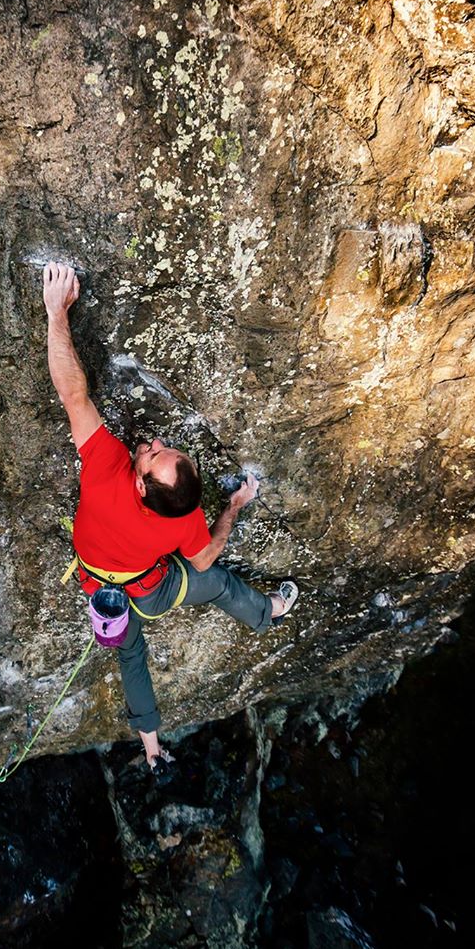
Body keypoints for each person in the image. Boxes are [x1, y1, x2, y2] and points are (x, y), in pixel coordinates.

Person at [43, 260, 299, 775]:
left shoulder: (104, 470)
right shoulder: (183, 521)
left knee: (130, 657)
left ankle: (152, 747)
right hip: (150, 589)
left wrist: (56, 313)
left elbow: (73, 392)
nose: (155, 443)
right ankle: (265, 613)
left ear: (140, 482)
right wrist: (232, 508)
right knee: (221, 585)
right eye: (162, 449)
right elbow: (203, 560)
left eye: (155, 452)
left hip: (102, 591)